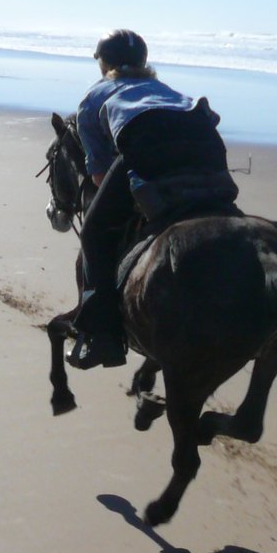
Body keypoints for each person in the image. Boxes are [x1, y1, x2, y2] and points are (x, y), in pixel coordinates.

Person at [67, 29, 234, 369]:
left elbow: (98, 176)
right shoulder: (165, 89)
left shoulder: (96, 95)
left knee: (94, 233)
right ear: (143, 62)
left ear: (104, 63)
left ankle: (105, 338)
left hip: (147, 152)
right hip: (210, 158)